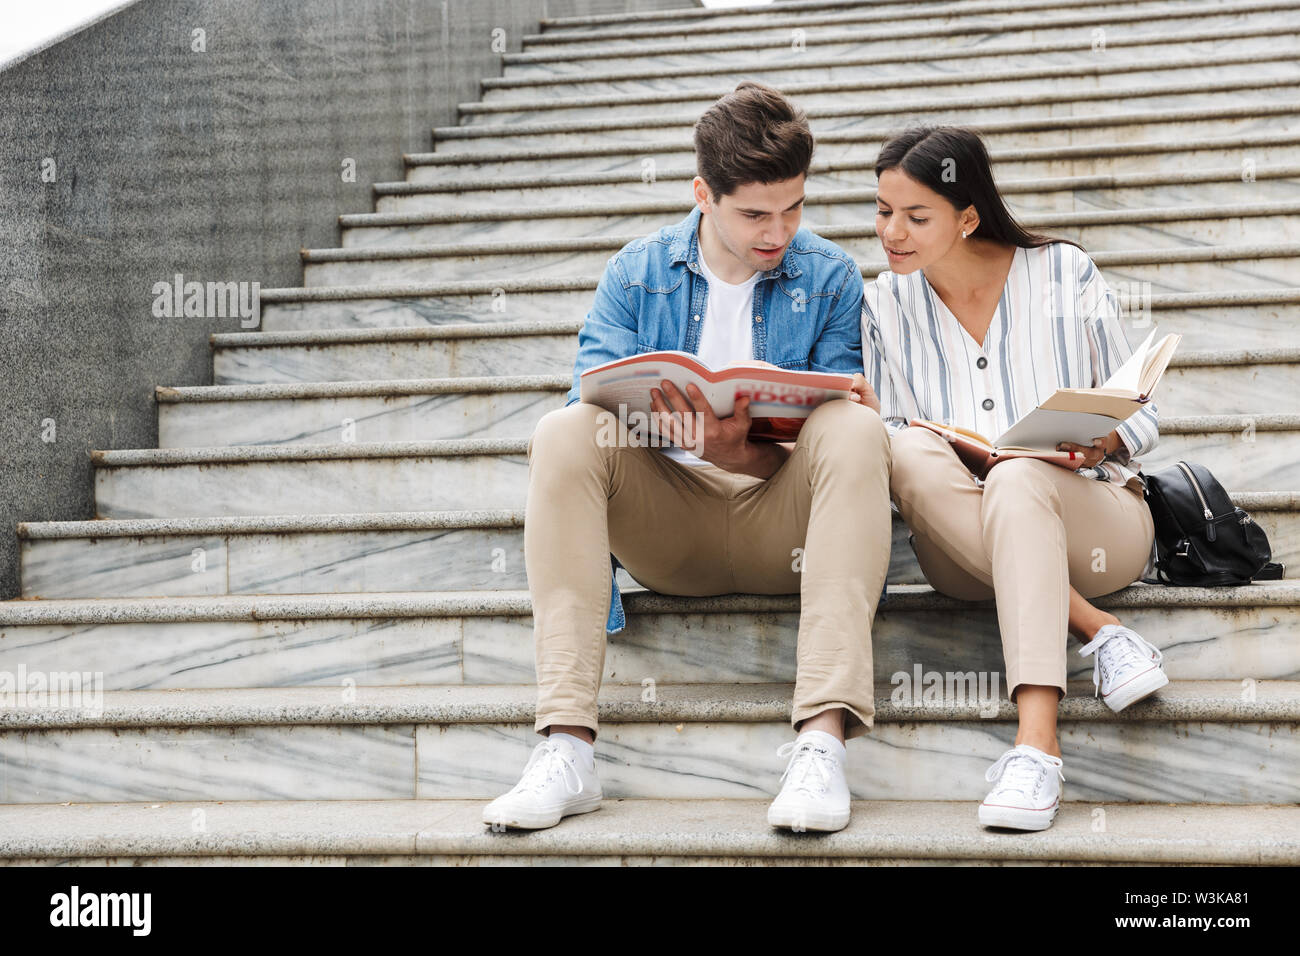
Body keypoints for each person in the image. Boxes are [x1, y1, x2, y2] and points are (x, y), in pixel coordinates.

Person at [482, 81, 892, 833]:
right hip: (669, 533)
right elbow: (595, 403)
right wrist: (689, 443)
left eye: (794, 207)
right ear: (704, 193)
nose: (780, 231)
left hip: (785, 531)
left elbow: (832, 439)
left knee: (859, 426)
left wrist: (741, 452)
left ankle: (821, 745)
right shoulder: (636, 274)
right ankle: (566, 749)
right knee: (562, 431)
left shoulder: (829, 275)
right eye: (756, 213)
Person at [861, 125, 1168, 832]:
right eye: (882, 211)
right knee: (900, 448)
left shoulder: (1063, 273)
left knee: (1022, 476)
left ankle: (1038, 746)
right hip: (962, 549)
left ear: (968, 216)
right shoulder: (882, 304)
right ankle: (1101, 631)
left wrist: (1101, 442)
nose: (891, 233)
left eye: (915, 216)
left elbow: (1145, 412)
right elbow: (899, 438)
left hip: (1096, 521)